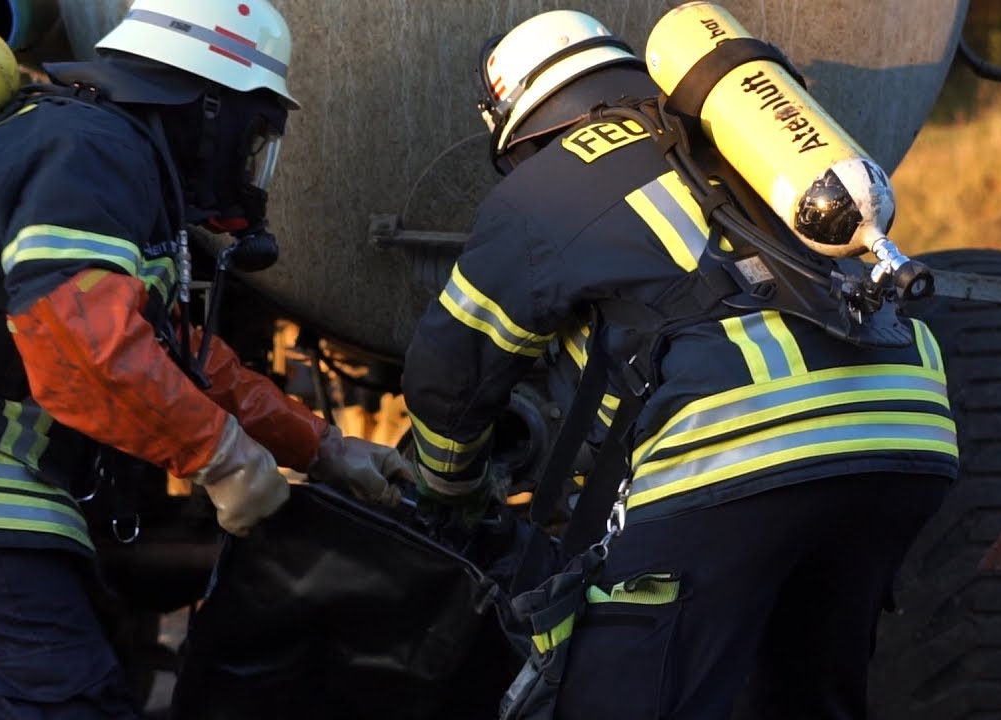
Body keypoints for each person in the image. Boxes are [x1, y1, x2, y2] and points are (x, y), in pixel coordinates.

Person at [0, 0, 408, 716]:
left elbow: (185, 357)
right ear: (208, 107)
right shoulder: (91, 147)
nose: (249, 159)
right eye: (251, 132)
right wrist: (221, 459)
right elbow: (75, 342)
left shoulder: (99, 146)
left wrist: (324, 449)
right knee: (59, 704)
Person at [400, 10, 959, 719]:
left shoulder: (541, 189)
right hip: (907, 431)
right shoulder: (732, 143)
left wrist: (452, 496)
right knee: (804, 697)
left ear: (522, 133)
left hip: (738, 452)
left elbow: (452, 364)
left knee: (621, 696)